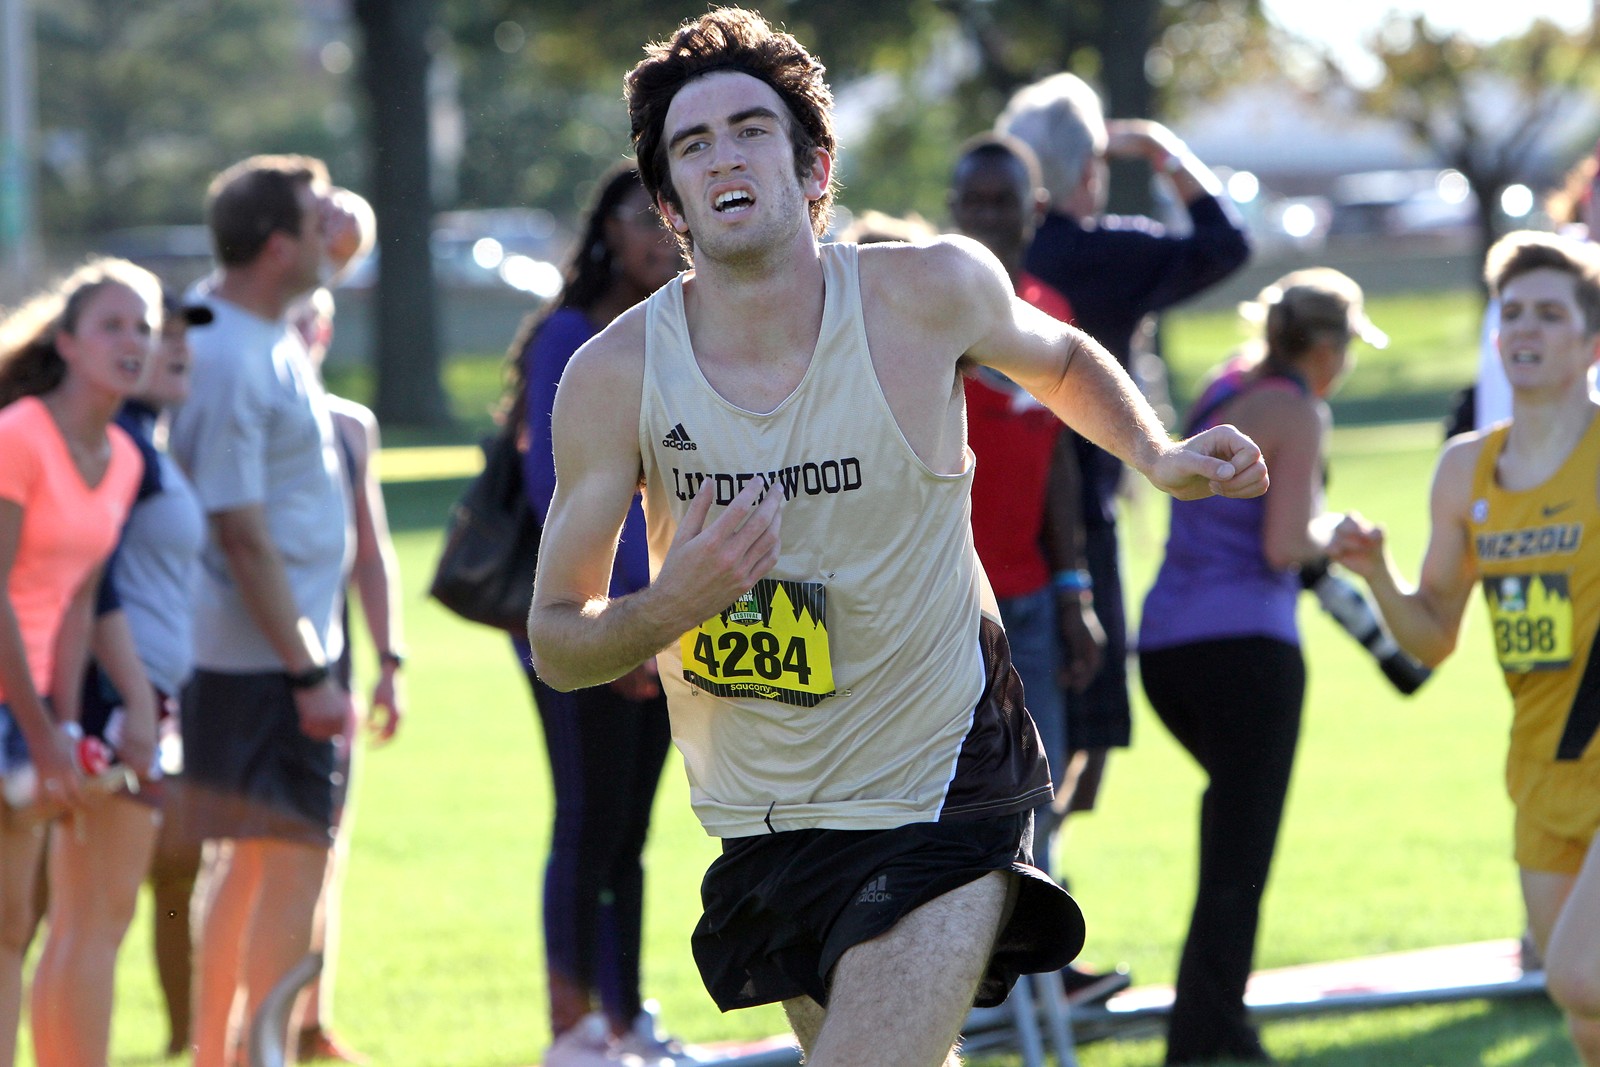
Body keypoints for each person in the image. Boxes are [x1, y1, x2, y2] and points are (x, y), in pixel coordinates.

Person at [525, 10, 1268, 1067]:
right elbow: (557, 640)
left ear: (813, 165)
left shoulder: (924, 293)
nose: (724, 156)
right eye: (693, 145)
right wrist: (668, 603)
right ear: (666, 201)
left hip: (943, 779)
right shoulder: (613, 377)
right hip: (765, 814)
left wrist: (1155, 453)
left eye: (750, 130)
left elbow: (1055, 358)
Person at [1329, 230, 1600, 1066]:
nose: (1526, 328)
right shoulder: (1465, 471)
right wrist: (1378, 574)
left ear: (1592, 341)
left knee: (1581, 975)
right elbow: (1432, 637)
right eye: (1512, 312)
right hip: (1541, 769)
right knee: (1587, 1022)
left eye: (1550, 314)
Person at [1139, 269, 1386, 1065]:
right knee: (1240, 857)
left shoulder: (1223, 389)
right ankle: (1204, 1040)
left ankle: (1219, 1027)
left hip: (1167, 649)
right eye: (1346, 348)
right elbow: (1285, 543)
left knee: (1228, 836)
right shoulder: (1299, 409)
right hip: (1247, 649)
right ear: (1323, 348)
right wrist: (1337, 530)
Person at [995, 74, 1250, 838]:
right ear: (1085, 171)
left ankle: (1032, 919)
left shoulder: (984, 258)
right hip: (1081, 513)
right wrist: (1166, 153)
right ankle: (1033, 911)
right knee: (1080, 733)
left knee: (1014, 732)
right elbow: (1225, 242)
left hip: (991, 515)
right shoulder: (1103, 251)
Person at [167, 153, 362, 1067]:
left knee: (248, 865)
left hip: (261, 658)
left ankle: (226, 1056)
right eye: (318, 218)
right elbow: (238, 529)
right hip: (263, 664)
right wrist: (308, 671)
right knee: (289, 864)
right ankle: (254, 1056)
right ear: (279, 245)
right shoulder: (230, 349)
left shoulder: (252, 323)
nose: (336, 231)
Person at [507, 164, 694, 1067]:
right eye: (643, 218)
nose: (663, 235)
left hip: (662, 623)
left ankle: (624, 1018)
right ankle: (570, 1028)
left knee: (633, 828)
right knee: (586, 815)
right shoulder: (569, 337)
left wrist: (659, 624)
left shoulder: (683, 334)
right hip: (581, 617)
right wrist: (618, 624)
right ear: (607, 231)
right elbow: (559, 494)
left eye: (673, 218)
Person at [0, 257, 160, 1067]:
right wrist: (38, 728)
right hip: (7, 706)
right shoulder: (19, 434)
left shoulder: (126, 458)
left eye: (144, 326)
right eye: (111, 324)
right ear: (65, 342)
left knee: (9, 925)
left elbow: (76, 603)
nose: (132, 340)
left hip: (28, 712)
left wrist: (63, 724)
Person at [945, 132, 1104, 880]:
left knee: (1043, 784)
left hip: (1033, 596)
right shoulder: (922, 312)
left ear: (1034, 210)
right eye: (970, 202)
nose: (985, 216)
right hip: (938, 601)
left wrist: (1075, 588)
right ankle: (965, 980)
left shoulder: (1050, 310)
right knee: (947, 799)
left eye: (1000, 201)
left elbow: (1059, 462)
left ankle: (1040, 967)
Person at [287, 285, 405, 1065]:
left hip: (335, 662)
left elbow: (372, 551)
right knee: (259, 857)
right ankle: (236, 1026)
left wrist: (390, 661)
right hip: (248, 666)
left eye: (306, 320)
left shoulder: (348, 426)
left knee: (326, 846)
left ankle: (308, 1020)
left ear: (324, 328)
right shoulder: (225, 412)